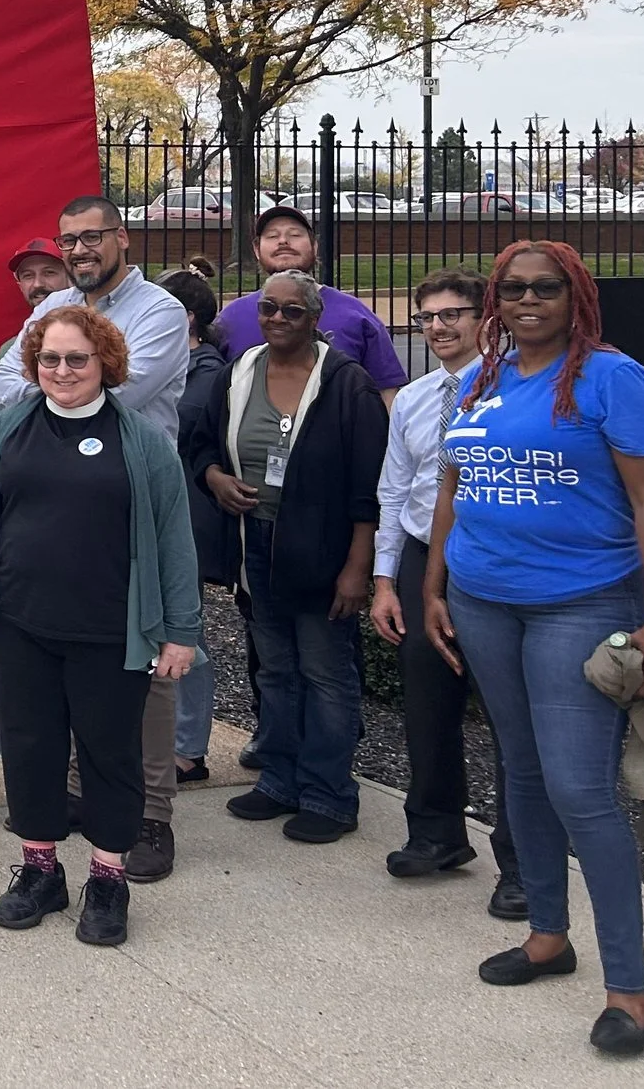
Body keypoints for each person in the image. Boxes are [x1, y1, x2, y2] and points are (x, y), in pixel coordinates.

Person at [424, 241, 644, 1058]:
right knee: (523, 771)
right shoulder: (482, 379)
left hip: (580, 603)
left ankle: (631, 990)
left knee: (579, 788)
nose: (528, 298)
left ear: (575, 295)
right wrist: (434, 586)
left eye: (546, 286)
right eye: (512, 288)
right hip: (482, 598)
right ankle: (546, 932)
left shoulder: (613, 378)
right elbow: (453, 488)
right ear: (494, 299)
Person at [0, 307, 201, 949]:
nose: (63, 371)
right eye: (50, 359)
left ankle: (108, 880)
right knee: (29, 748)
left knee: (108, 754)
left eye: (77, 359)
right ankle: (40, 872)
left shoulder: (141, 442)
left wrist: (180, 631)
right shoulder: (8, 429)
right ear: (35, 365)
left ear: (105, 364)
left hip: (112, 632)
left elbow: (174, 540)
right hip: (21, 627)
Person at [0, 196, 193, 883]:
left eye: (91, 237)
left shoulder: (160, 312)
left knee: (145, 670)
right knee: (69, 668)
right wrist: (47, 389)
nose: (79, 249)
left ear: (122, 238)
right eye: (69, 239)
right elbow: (3, 382)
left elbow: (116, 393)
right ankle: (89, 799)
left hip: (129, 507)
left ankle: (152, 815)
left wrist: (50, 388)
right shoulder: (49, 309)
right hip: (54, 507)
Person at [187, 270, 383, 843]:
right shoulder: (240, 371)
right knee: (275, 667)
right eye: (268, 309)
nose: (276, 319)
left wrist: (357, 567)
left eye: (291, 311)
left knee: (325, 671)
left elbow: (370, 487)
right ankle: (280, 779)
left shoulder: (347, 385)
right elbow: (199, 441)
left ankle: (328, 793)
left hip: (322, 550)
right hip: (258, 544)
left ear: (315, 318)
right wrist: (215, 476)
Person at [370, 267, 522, 916]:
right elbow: (394, 491)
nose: (437, 326)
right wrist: (384, 578)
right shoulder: (411, 399)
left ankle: (522, 862)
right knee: (428, 704)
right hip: (422, 558)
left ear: (486, 317)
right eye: (426, 316)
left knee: (512, 717)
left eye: (452, 313)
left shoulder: (519, 389)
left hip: (494, 560)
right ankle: (435, 834)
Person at [209, 204, 407, 405]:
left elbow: (386, 394)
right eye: (272, 236)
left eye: (295, 235)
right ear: (256, 249)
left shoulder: (356, 316)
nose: (283, 241)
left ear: (314, 246)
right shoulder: (230, 319)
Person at [156, 266, 229, 785]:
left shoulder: (205, 369)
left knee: (187, 632)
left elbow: (177, 429)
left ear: (185, 318)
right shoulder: (163, 363)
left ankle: (188, 748)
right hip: (155, 512)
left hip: (187, 516)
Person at [0, 238, 70, 374]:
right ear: (20, 286)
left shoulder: (94, 337)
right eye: (28, 276)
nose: (38, 284)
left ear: (70, 277)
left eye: (49, 272)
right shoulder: (9, 353)